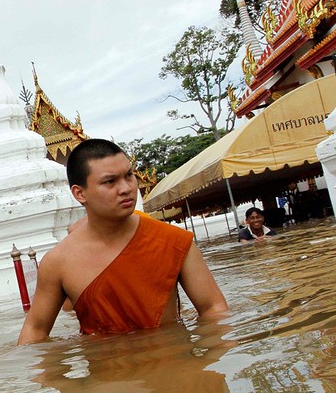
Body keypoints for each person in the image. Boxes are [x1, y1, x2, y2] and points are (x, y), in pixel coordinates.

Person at [18, 139, 228, 344]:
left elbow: (213, 309)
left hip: (176, 366)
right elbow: (35, 331)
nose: (126, 188)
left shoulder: (174, 240)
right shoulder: (58, 262)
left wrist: (208, 368)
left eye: (129, 176)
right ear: (80, 193)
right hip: (107, 376)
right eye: (110, 182)